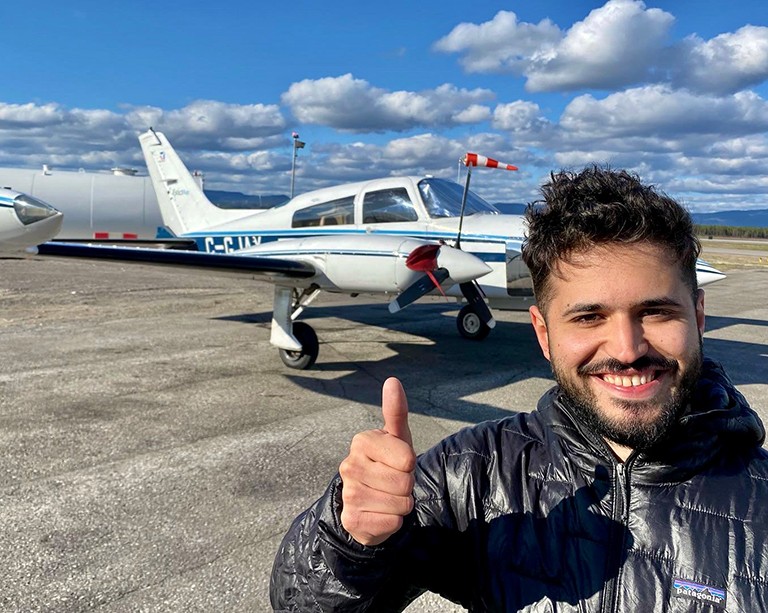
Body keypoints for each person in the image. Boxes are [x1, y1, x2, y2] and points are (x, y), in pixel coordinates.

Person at [270, 166, 768, 612]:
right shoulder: (468, 474)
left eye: (656, 311)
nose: (628, 348)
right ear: (543, 333)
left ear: (699, 316)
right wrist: (348, 536)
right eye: (589, 316)